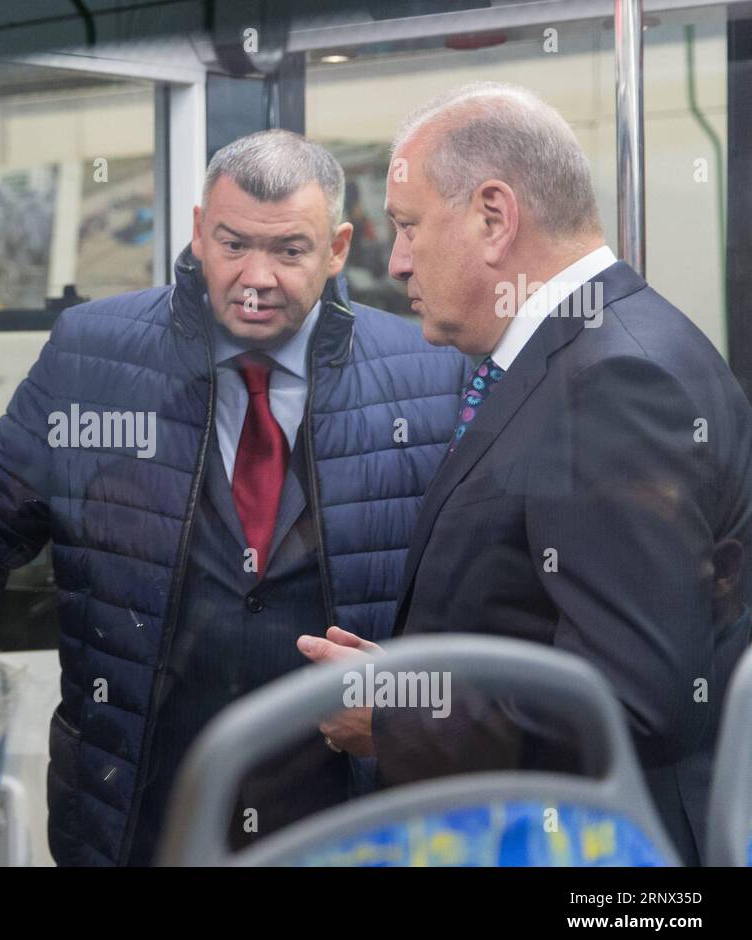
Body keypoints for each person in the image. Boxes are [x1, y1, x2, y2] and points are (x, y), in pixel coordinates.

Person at [0, 129, 468, 866]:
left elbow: (478, 601)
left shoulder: (429, 375)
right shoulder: (92, 357)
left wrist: (416, 710)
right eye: (234, 244)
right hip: (136, 818)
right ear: (199, 232)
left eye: (289, 251)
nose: (257, 276)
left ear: (337, 249)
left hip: (348, 823)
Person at [299, 82, 752, 866]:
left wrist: (397, 719)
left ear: (495, 216)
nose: (395, 259)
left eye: (407, 227)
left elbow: (635, 702)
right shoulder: (580, 353)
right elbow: (534, 612)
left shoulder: (612, 385)